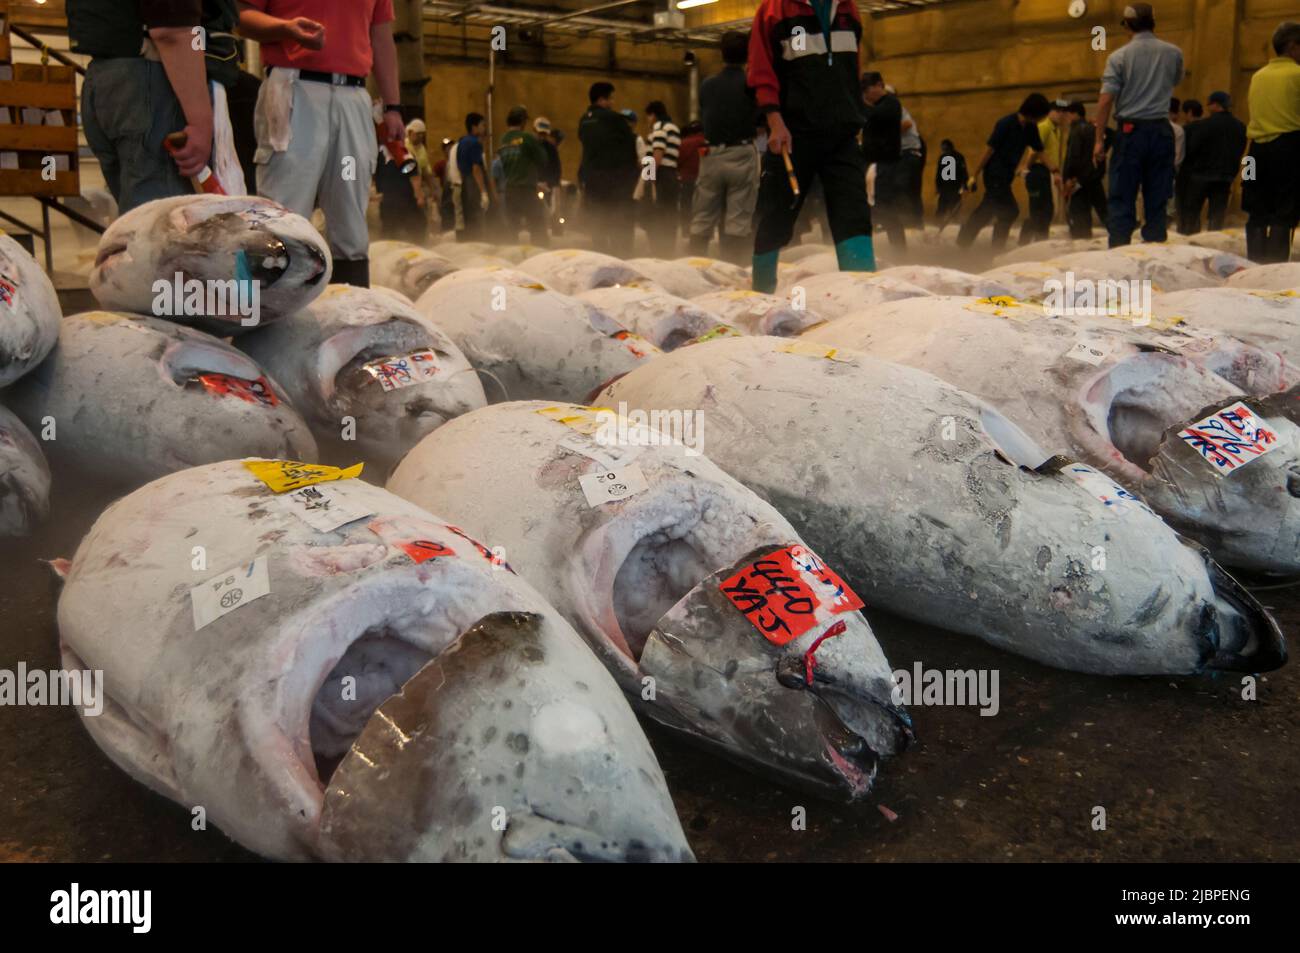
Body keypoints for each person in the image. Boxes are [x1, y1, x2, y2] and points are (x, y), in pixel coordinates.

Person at [239, 0, 402, 288]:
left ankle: (351, 311)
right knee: (284, 213)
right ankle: (272, 320)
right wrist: (285, 28)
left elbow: (381, 36)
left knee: (350, 212)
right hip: (293, 89)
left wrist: (393, 106)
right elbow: (241, 17)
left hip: (353, 96)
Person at [747, 0, 875, 292]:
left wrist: (853, 113)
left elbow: (851, 67)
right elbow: (760, 69)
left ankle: (864, 294)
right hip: (793, 133)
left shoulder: (847, 9)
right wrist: (774, 120)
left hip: (842, 133)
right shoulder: (773, 10)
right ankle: (761, 292)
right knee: (777, 211)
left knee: (853, 211)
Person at [70, 1, 235, 212]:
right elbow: (171, 30)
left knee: (138, 223)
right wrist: (200, 121)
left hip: (105, 75)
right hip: (153, 79)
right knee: (164, 228)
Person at [1092, 3, 1184, 247]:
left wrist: (1099, 140)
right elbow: (1175, 80)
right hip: (1161, 131)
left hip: (1130, 132)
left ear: (1127, 26)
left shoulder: (1118, 57)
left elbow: (1105, 102)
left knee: (1122, 196)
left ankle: (1120, 252)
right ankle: (1153, 254)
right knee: (1157, 196)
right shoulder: (1173, 53)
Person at [690, 29, 759, 261]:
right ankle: (731, 269)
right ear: (748, 55)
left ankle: (694, 267)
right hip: (741, 153)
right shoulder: (752, 84)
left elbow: (705, 112)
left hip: (712, 154)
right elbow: (761, 117)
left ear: (721, 54)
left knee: (703, 215)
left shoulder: (707, 84)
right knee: (738, 219)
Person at [956, 93, 1050, 251]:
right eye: (1041, 116)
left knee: (989, 208)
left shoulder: (1030, 127)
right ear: (1034, 112)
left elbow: (1039, 150)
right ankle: (995, 247)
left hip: (1006, 175)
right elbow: (989, 150)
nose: (1041, 120)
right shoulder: (1005, 123)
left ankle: (965, 238)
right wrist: (974, 175)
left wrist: (1055, 170)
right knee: (1010, 210)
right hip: (994, 173)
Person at [1242, 21, 1300, 262]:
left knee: (1255, 209)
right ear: (1293, 47)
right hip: (1288, 150)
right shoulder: (1297, 74)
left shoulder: (1258, 76)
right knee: (1284, 211)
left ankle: (1255, 264)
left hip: (1253, 153)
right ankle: (1273, 269)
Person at [578, 82, 639, 256]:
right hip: (614, 181)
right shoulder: (615, 120)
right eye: (610, 98)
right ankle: (618, 257)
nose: (612, 103)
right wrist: (642, 181)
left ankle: (600, 255)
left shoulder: (584, 120)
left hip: (591, 179)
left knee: (597, 221)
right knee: (616, 222)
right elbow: (636, 156)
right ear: (602, 99)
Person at [1178, 91, 1247, 233]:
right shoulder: (1240, 127)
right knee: (1217, 214)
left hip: (1200, 174)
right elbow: (1240, 149)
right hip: (1225, 176)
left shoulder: (1202, 125)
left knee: (1192, 212)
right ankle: (1215, 242)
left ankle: (1191, 241)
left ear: (1215, 105)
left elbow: (1192, 148)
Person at [861, 72, 906, 249]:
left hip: (886, 164)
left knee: (885, 206)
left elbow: (870, 116)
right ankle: (893, 245)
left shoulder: (891, 104)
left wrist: (860, 104)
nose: (866, 93)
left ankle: (898, 248)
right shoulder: (880, 105)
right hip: (876, 164)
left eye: (867, 89)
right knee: (878, 205)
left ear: (879, 85)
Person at [1018, 99, 1069, 245]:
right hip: (1036, 170)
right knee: (1039, 209)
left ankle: (1040, 239)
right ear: (1049, 112)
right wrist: (1026, 168)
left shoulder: (1056, 129)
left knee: (1046, 209)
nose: (1061, 115)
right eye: (1057, 111)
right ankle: (1027, 241)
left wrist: (1055, 172)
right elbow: (1035, 151)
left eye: (1063, 112)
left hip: (1045, 172)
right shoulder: (1043, 127)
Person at [498, 105, 550, 246]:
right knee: (538, 225)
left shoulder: (503, 140)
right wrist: (539, 142)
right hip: (526, 190)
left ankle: (511, 258)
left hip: (509, 189)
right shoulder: (527, 138)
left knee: (512, 228)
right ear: (522, 121)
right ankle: (540, 257)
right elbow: (543, 159)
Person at [1062, 101, 1110, 238]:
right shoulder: (1093, 128)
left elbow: (1073, 156)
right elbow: (1109, 138)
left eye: (1068, 114)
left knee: (1079, 213)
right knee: (1104, 211)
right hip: (1094, 177)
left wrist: (1069, 178)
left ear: (1075, 114)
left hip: (1080, 180)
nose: (1067, 117)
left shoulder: (1077, 130)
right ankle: (1120, 238)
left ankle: (1082, 240)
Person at [374, 118, 425, 244]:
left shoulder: (390, 151)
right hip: (395, 201)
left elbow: (413, 173)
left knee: (399, 233)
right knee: (399, 233)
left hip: (398, 200)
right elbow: (413, 174)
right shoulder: (388, 152)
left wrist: (418, 195)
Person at [645, 101, 682, 255]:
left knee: (657, 214)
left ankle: (658, 251)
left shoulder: (659, 128)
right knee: (669, 214)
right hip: (672, 174)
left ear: (653, 115)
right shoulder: (674, 127)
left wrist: (648, 177)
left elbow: (657, 154)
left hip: (661, 175)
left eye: (648, 116)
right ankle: (668, 250)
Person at [455, 112, 493, 241]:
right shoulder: (475, 143)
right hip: (474, 184)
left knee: (469, 217)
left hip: (465, 183)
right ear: (474, 127)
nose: (485, 128)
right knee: (479, 216)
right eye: (482, 125)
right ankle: (480, 242)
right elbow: (476, 168)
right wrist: (483, 192)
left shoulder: (462, 142)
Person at [676, 121, 706, 237]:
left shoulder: (683, 143)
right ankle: (702, 233)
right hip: (705, 181)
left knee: (686, 206)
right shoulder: (706, 142)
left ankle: (686, 232)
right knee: (704, 209)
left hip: (686, 179)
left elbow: (677, 162)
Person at [933, 138, 968, 226]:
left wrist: (964, 184)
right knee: (942, 207)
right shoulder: (945, 157)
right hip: (946, 187)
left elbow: (963, 172)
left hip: (954, 187)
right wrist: (938, 186)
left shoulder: (957, 157)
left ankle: (953, 223)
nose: (944, 150)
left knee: (953, 207)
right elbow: (939, 173)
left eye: (945, 148)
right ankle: (939, 224)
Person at [434, 137, 455, 233]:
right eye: (447, 148)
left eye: (451, 147)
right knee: (446, 215)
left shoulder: (457, 163)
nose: (449, 150)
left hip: (456, 192)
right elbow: (435, 180)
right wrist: (438, 194)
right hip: (445, 195)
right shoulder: (440, 164)